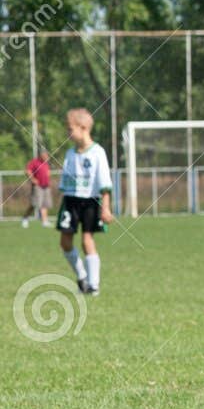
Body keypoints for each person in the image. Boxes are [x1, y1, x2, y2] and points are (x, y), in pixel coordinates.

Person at [56, 111, 113, 295]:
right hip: (71, 201)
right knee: (65, 241)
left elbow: (105, 184)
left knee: (87, 240)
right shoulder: (70, 153)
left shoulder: (97, 152)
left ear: (83, 128)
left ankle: (93, 285)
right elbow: (65, 183)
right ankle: (82, 276)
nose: (68, 132)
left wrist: (106, 207)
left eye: (70, 128)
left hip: (90, 201)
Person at [23, 151, 50, 228]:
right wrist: (32, 179)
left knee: (44, 204)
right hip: (38, 186)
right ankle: (25, 218)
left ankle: (44, 221)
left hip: (46, 186)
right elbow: (27, 171)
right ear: (41, 156)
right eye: (45, 156)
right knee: (34, 204)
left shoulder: (45, 163)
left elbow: (47, 172)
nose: (46, 157)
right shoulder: (34, 162)